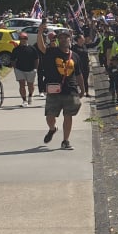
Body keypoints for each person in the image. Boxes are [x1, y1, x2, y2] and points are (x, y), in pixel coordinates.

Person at [36, 22, 85, 150]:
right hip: (54, 89)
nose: (64, 40)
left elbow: (79, 74)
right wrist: (40, 32)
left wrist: (83, 88)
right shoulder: (52, 52)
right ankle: (52, 129)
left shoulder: (75, 56)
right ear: (58, 40)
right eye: (61, 38)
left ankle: (65, 140)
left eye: (66, 37)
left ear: (70, 39)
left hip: (71, 89)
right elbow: (41, 47)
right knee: (50, 116)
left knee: (68, 116)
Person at [12, 32, 40, 107]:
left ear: (27, 39)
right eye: (21, 38)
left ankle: (30, 95)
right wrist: (15, 68)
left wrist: (35, 69)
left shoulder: (32, 48)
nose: (23, 40)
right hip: (20, 69)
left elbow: (36, 59)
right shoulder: (16, 49)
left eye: (25, 38)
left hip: (31, 69)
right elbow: (13, 60)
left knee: (30, 85)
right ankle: (24, 100)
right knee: (22, 84)